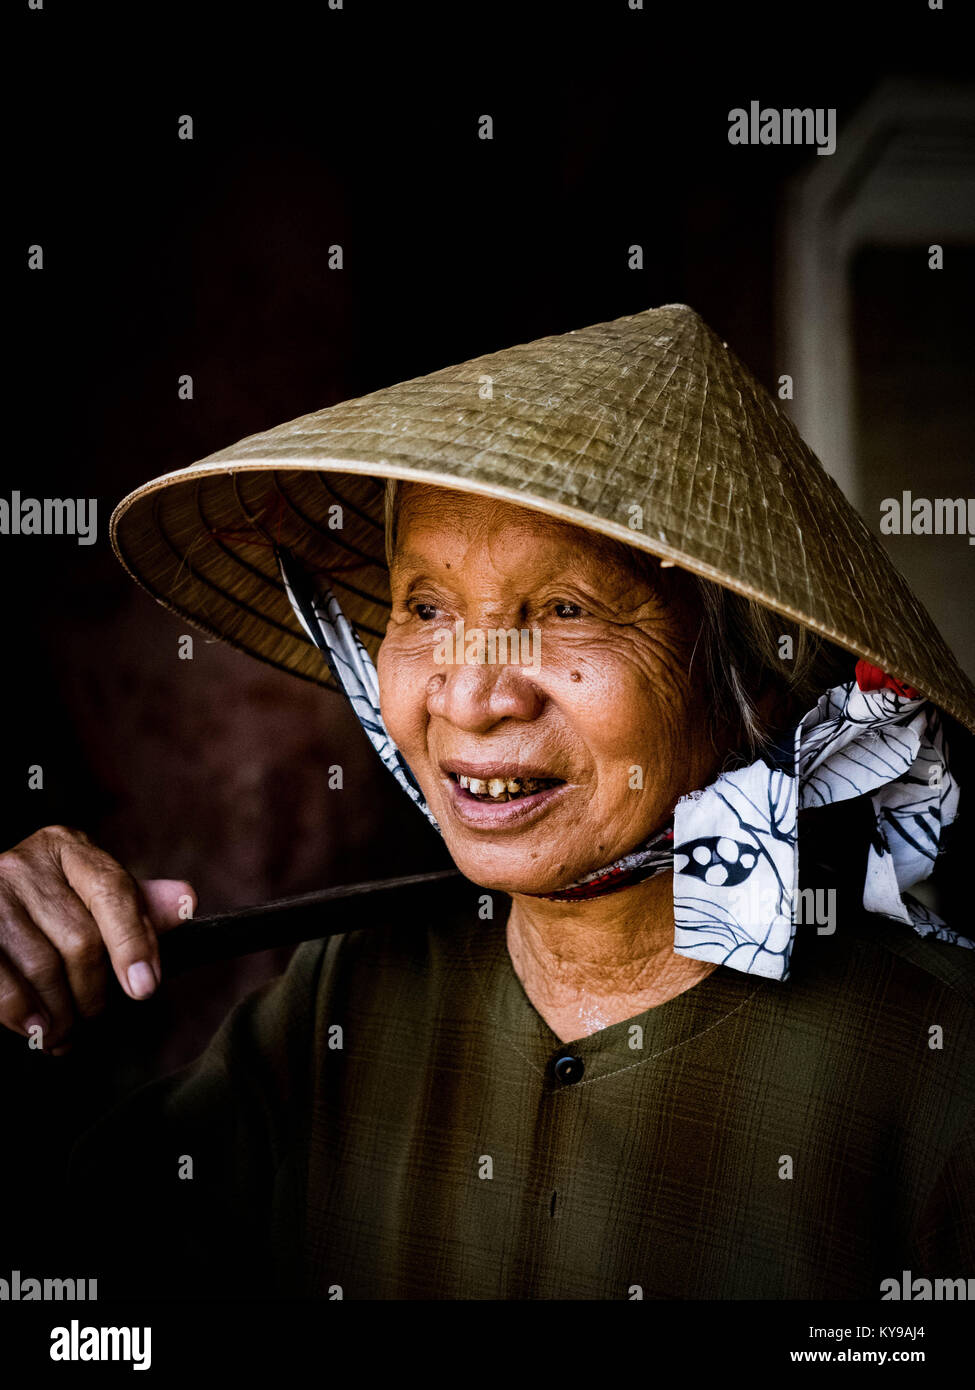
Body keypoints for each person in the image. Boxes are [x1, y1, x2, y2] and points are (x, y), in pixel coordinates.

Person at [3, 304, 973, 1299]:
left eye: (566, 610)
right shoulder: (348, 994)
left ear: (754, 675)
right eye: (425, 607)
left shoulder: (935, 1073)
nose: (470, 695)